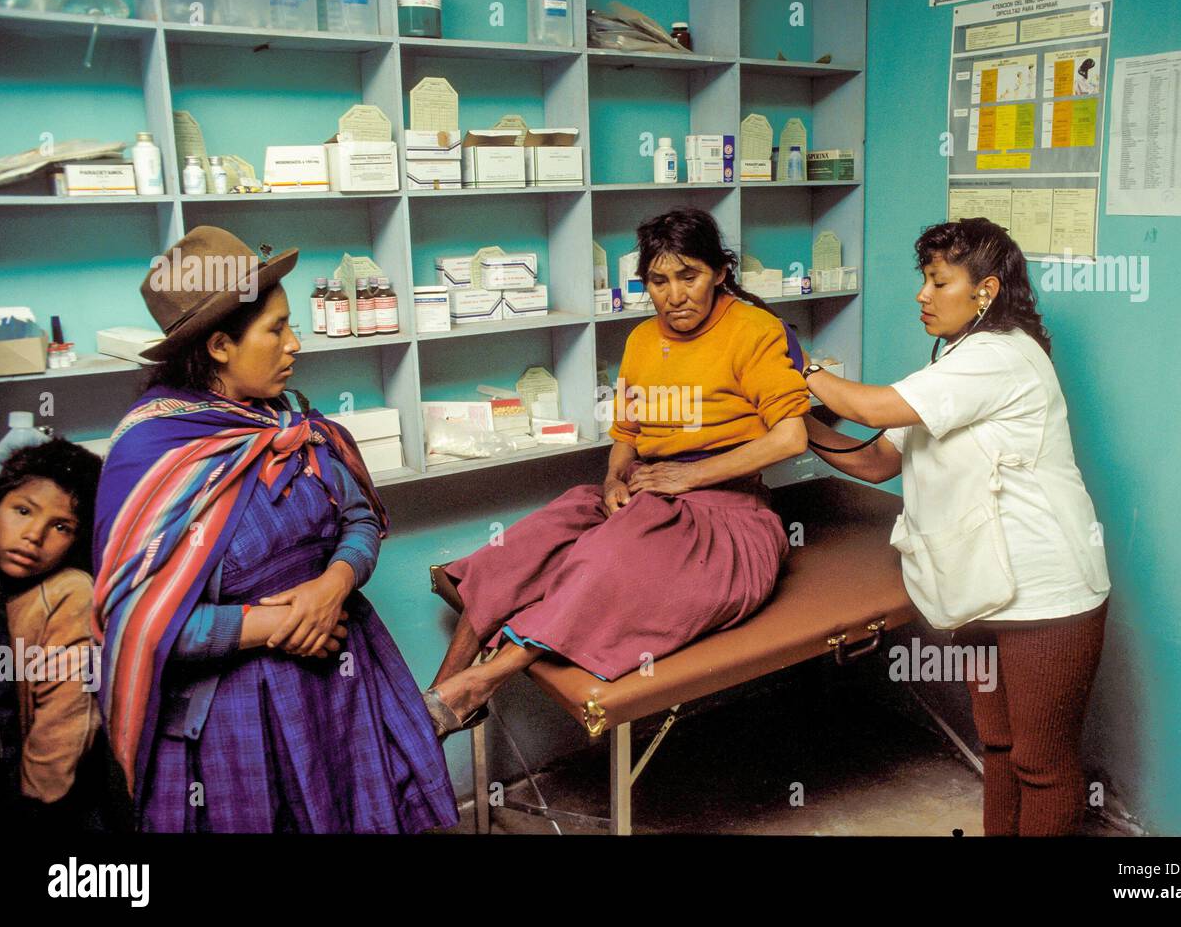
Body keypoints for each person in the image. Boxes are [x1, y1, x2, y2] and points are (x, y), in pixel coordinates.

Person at [93, 225, 458, 832]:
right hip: (238, 720)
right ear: (218, 346)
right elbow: (138, 623)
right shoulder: (155, 455)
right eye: (276, 329)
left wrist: (333, 586)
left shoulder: (291, 425)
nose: (295, 344)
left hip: (345, 686)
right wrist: (279, 623)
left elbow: (361, 518)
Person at [422, 207, 810, 736]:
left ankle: (483, 682)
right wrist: (612, 482)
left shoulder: (755, 331)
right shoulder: (643, 340)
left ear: (720, 272)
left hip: (727, 520)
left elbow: (791, 437)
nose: (675, 295)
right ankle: (439, 696)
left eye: (689, 276)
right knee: (522, 547)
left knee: (601, 559)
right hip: (646, 491)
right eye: (659, 280)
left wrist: (688, 478)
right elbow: (625, 438)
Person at [802, 217, 1110, 836]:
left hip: (1044, 590)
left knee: (1041, 764)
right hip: (977, 584)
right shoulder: (953, 364)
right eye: (923, 279)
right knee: (998, 747)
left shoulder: (1001, 355)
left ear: (986, 291)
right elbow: (877, 458)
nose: (921, 294)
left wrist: (799, 372)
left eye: (938, 282)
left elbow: (873, 406)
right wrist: (798, 425)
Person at [0, 439, 117, 830]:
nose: (34, 535)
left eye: (61, 526)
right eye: (22, 511)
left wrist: (33, 810)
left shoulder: (69, 592)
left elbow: (67, 721)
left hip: (40, 809)